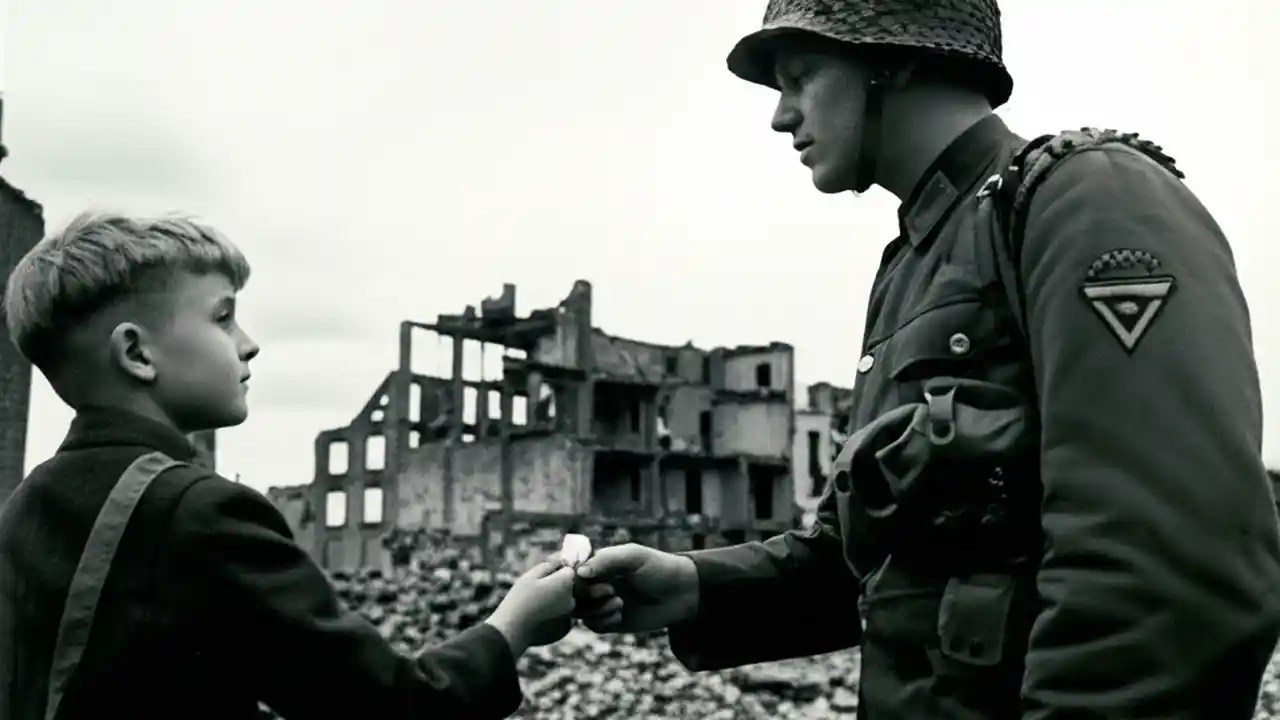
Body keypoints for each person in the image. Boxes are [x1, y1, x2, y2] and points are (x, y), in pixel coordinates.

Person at [572, 1, 1280, 718]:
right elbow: (879, 559)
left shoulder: (1087, 199)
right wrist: (692, 585)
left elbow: (1166, 569)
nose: (781, 116)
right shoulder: (917, 262)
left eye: (801, 76)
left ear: (897, 59)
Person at [0, 211, 577, 720]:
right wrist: (511, 628)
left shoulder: (26, 505)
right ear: (136, 353)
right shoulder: (201, 511)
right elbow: (392, 707)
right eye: (223, 318)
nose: (248, 344)